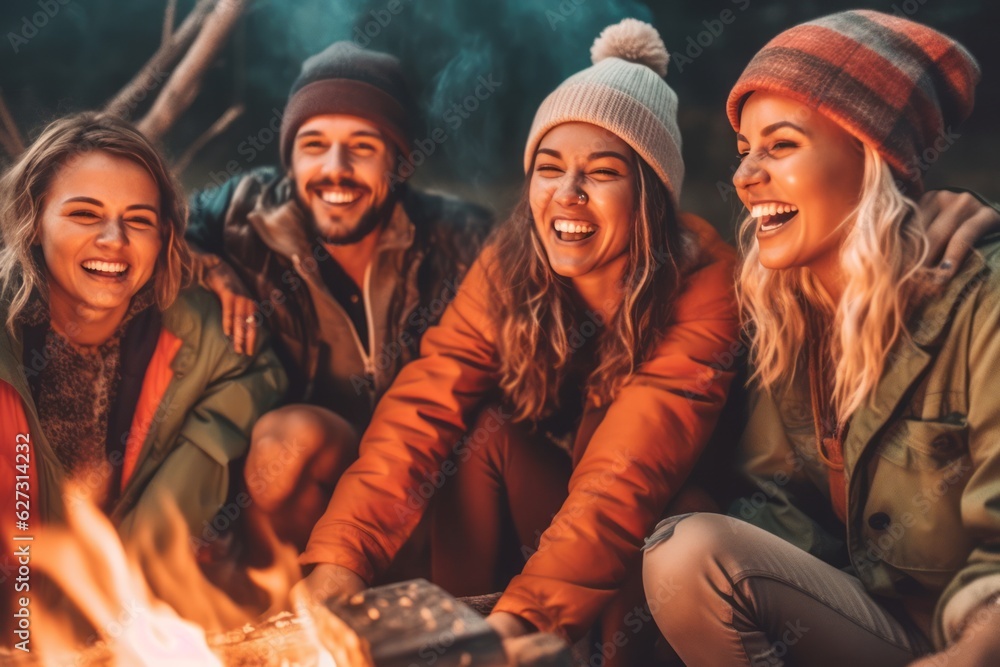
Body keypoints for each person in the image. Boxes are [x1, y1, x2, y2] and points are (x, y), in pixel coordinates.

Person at [296, 19, 741, 666]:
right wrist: (341, 557)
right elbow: (423, 404)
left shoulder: (703, 282)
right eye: (549, 167)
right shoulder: (512, 263)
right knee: (484, 434)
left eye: (602, 172)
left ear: (650, 194)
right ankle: (445, 634)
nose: (567, 193)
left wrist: (519, 624)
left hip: (657, 534)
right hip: (562, 515)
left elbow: (625, 477)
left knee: (678, 509)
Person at [642, 10, 1000, 666]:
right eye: (744, 151)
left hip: (977, 642)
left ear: (872, 157)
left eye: (780, 145)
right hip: (880, 630)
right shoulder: (791, 310)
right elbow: (783, 512)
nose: (746, 177)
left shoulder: (985, 298)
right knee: (685, 550)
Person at [186, 42, 492, 547]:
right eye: (313, 144)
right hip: (306, 492)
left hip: (425, 487)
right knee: (287, 441)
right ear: (288, 159)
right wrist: (207, 261)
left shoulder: (460, 238)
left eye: (363, 146)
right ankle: (291, 600)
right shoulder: (242, 215)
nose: (335, 168)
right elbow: (151, 224)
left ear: (402, 161)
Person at [0, 113, 285, 601]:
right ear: (33, 224)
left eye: (138, 220)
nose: (114, 239)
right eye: (84, 214)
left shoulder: (205, 338)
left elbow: (252, 381)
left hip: (138, 608)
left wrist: (155, 544)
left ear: (165, 237)